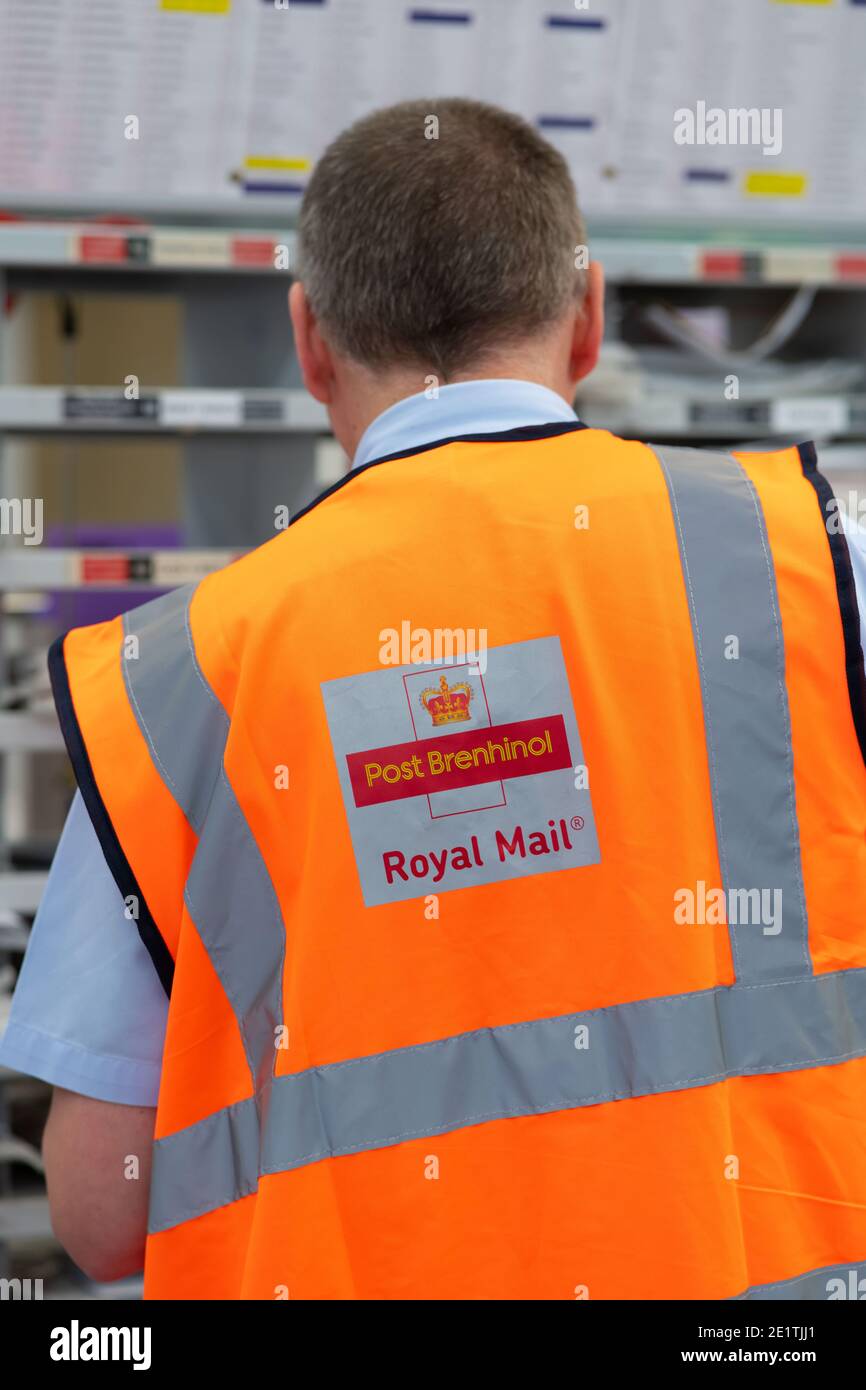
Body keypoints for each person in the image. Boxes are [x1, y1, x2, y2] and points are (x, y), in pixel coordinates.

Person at [3, 98, 866, 1300]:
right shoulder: (807, 563)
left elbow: (105, 1209)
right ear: (588, 317)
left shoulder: (184, 672)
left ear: (309, 340)